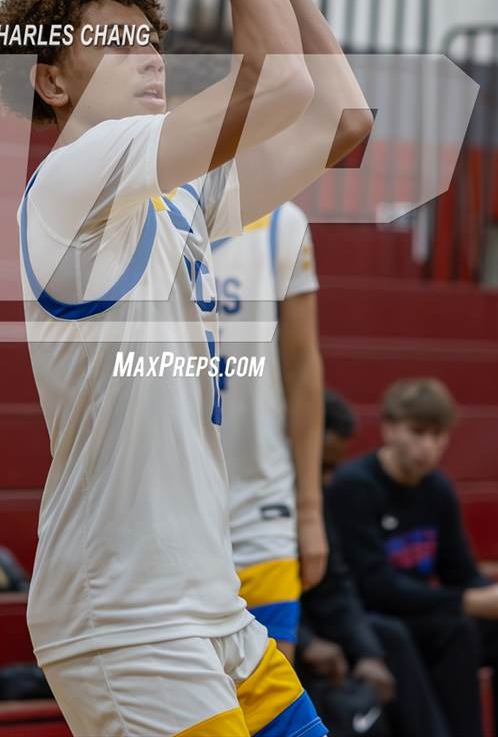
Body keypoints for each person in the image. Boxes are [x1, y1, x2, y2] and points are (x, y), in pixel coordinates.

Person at [0, 0, 371, 737]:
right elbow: (273, 92)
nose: (148, 54)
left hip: (210, 607)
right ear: (51, 78)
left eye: (149, 39)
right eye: (114, 42)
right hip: (124, 621)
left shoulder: (178, 201)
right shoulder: (79, 171)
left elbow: (341, 118)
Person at [327, 378, 498, 737]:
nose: (428, 447)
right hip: (375, 619)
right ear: (389, 428)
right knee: (457, 629)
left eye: (438, 435)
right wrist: (471, 601)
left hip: (424, 613)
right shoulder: (354, 487)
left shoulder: (438, 488)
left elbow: (461, 572)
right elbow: (376, 587)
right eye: (418, 432)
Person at [214, 201, 327, 664]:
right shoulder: (146, 214)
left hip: (260, 504)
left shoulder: (281, 223)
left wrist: (309, 511)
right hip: (168, 508)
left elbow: (303, 370)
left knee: (270, 700)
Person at [305, 389, 449, 737]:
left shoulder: (319, 500)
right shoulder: (252, 500)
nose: (328, 481)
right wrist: (305, 639)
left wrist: (368, 652)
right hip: (274, 628)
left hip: (325, 623)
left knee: (396, 643)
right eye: (321, 468)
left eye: (332, 469)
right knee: (390, 635)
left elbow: (335, 583)